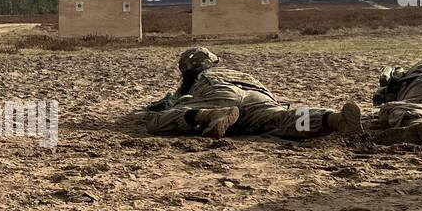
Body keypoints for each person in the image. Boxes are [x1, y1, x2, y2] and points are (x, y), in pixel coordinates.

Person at [136, 47, 361, 139]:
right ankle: (333, 119)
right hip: (259, 97)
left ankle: (210, 116)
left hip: (221, 96)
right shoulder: (238, 72)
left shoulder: (195, 79)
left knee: (159, 120)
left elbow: (168, 105)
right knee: (283, 119)